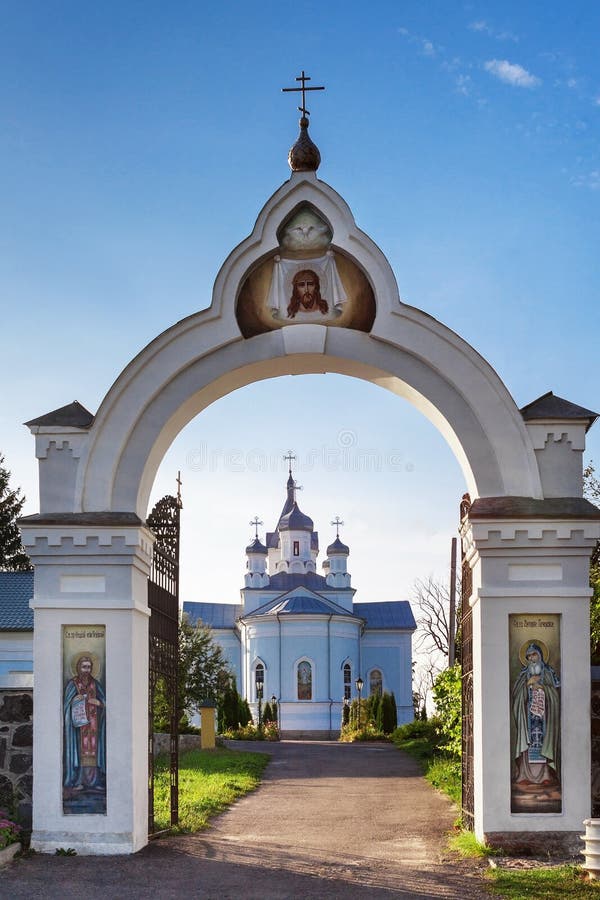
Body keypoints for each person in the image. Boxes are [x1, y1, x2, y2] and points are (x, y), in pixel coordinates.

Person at [511, 642, 560, 789]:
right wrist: (527, 686)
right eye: (529, 656)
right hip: (528, 717)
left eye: (534, 655)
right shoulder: (524, 675)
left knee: (543, 742)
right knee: (529, 742)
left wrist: (542, 688)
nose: (532, 659)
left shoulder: (549, 672)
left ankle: (546, 775)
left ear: (540, 655)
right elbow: (516, 695)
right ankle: (524, 775)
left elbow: (556, 695)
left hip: (544, 717)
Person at [64, 653, 106, 796]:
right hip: (79, 726)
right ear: (78, 668)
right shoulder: (73, 684)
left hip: (94, 725)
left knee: (94, 750)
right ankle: (79, 781)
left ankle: (96, 782)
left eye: (89, 667)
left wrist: (98, 703)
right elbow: (66, 705)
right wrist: (75, 699)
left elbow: (104, 702)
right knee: (81, 750)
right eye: (84, 667)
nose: (86, 670)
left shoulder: (96, 684)